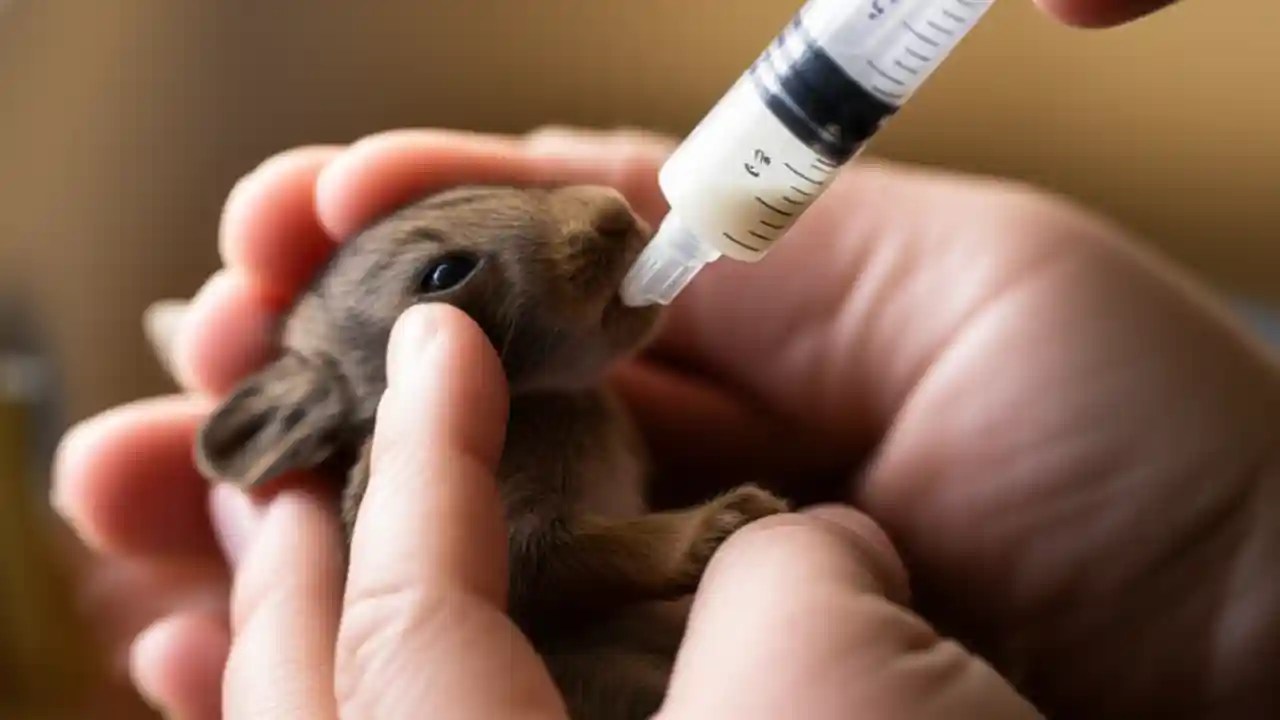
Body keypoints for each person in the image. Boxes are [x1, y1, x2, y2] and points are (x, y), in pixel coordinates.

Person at [52, 0, 1278, 717]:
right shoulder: (468, 471)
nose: (591, 211)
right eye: (449, 275)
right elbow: (531, 559)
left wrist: (1236, 556)